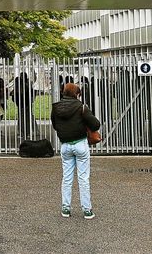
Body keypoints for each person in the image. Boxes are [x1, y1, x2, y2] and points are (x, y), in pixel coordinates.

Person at [51, 83, 101, 219]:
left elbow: (55, 125)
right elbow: (95, 124)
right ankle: (87, 210)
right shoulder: (81, 107)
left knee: (67, 178)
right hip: (80, 144)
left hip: (65, 145)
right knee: (83, 178)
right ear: (76, 94)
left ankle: (66, 208)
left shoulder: (55, 108)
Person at [13, 72, 35, 141]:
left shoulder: (26, 85)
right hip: (22, 104)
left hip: (25, 104)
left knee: (25, 118)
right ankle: (24, 132)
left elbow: (30, 94)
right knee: (23, 118)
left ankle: (26, 132)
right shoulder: (20, 85)